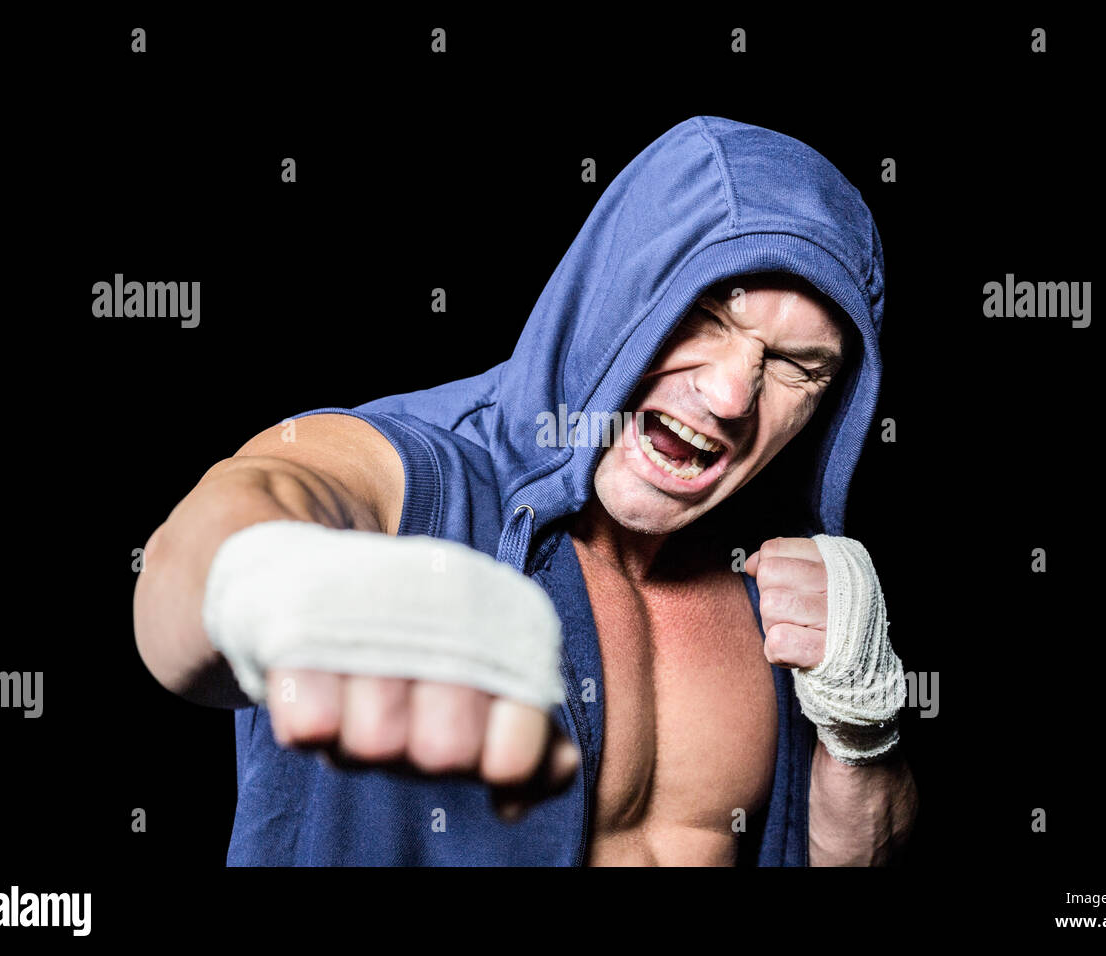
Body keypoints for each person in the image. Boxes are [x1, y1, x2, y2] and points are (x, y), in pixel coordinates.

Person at [133, 115, 918, 866]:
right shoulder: (416, 476)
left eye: (793, 365)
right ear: (624, 289)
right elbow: (238, 522)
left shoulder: (773, 586)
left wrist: (862, 723)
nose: (730, 396)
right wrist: (257, 590)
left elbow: (851, 855)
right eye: (707, 314)